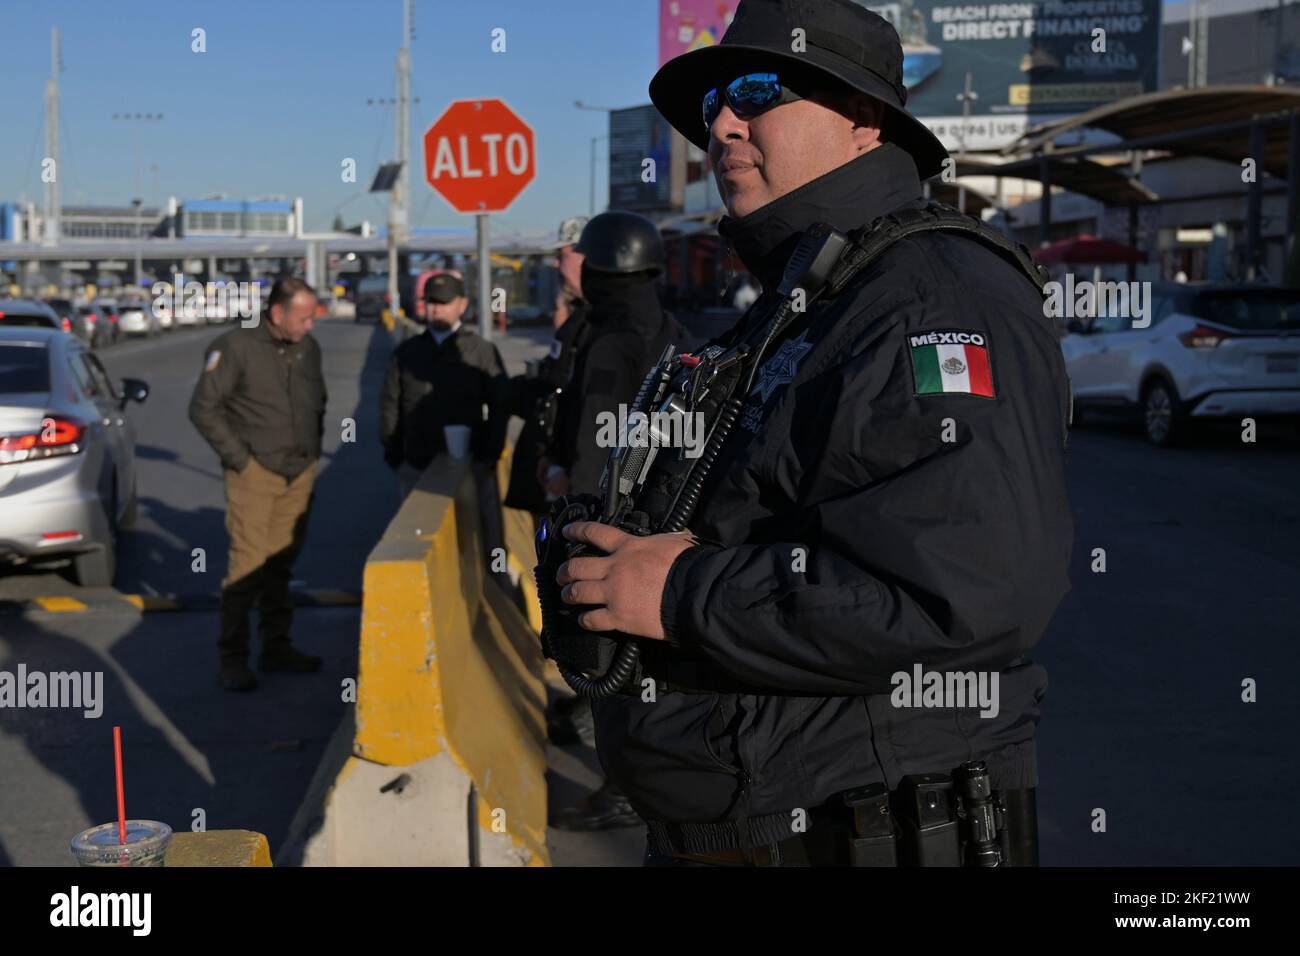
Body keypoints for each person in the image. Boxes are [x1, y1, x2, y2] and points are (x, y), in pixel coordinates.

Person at [552, 0, 1072, 865]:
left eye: (756, 92)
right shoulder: (814, 297)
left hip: (853, 828)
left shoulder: (930, 298)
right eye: (716, 100)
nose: (721, 124)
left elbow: (966, 591)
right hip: (744, 819)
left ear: (863, 121)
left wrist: (682, 593)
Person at [546, 210, 687, 832]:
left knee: (607, 663)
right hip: (665, 519)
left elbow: (594, 440)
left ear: (601, 269)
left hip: (608, 525)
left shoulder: (609, 340)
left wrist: (574, 517)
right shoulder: (672, 328)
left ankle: (627, 789)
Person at [189, 277, 327, 692]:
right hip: (256, 474)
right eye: (303, 318)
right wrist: (241, 462)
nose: (310, 326)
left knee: (280, 564)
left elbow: (316, 403)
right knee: (247, 566)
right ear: (277, 313)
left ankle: (276, 645)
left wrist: (310, 453)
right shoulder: (235, 347)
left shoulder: (308, 348)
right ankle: (233, 657)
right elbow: (203, 408)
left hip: (298, 472)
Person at [379, 272, 509, 500]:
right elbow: (390, 404)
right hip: (416, 464)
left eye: (444, 302)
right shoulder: (406, 352)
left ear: (462, 304)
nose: (436, 309)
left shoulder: (480, 350)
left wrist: (489, 454)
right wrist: (395, 455)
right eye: (431, 302)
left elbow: (500, 405)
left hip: (467, 463)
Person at [504, 216, 589, 517]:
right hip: (552, 472)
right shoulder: (575, 315)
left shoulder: (601, 325)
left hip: (572, 487)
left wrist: (569, 471)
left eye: (561, 255)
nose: (556, 265)